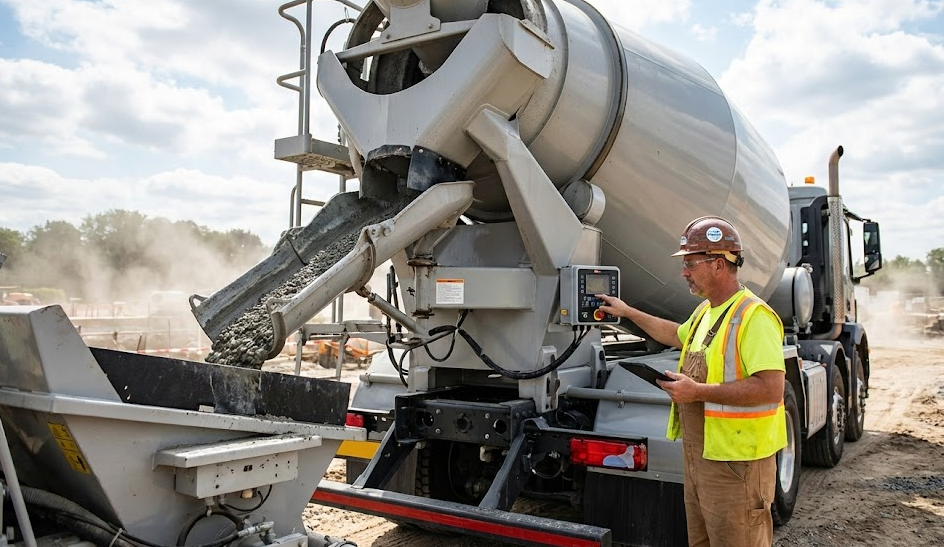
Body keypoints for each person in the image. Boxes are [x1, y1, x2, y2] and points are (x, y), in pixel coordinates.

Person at [597, 216, 786, 547]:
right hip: (701, 458)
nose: (684, 272)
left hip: (736, 465)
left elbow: (771, 387)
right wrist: (628, 313)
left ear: (718, 265)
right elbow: (674, 334)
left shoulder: (754, 317)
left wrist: (696, 391)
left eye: (691, 263)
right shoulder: (706, 312)